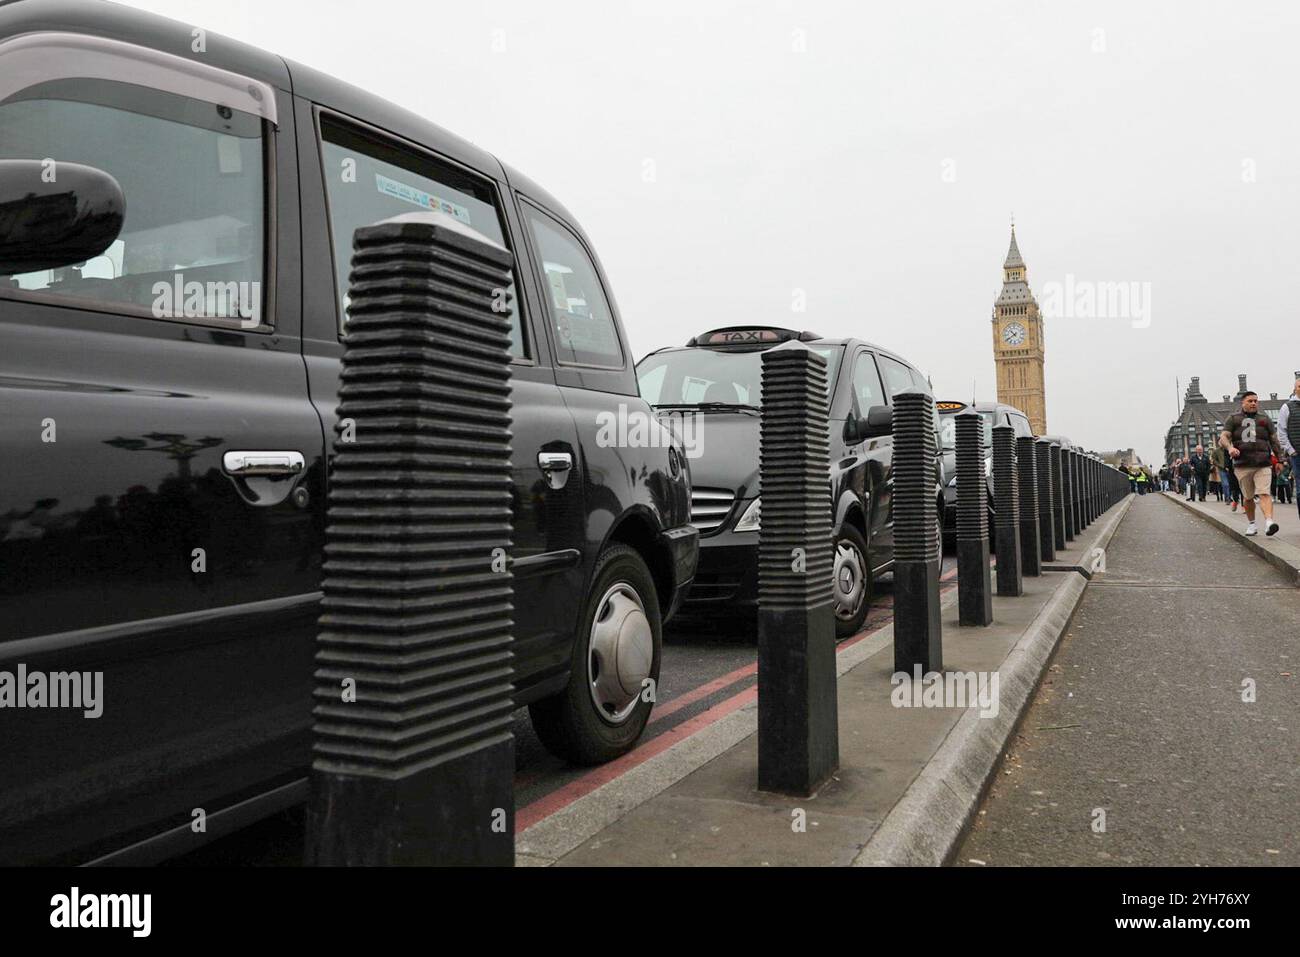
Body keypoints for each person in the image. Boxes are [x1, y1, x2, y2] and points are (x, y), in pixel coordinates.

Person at [1221, 391, 1285, 535]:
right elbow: (1223, 437)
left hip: (1263, 463)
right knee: (1248, 497)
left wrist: (1280, 460)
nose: (1253, 403)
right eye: (1250, 401)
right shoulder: (1233, 419)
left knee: (1264, 493)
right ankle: (1252, 523)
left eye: (1255, 401)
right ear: (1243, 403)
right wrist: (1230, 448)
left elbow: (1274, 440)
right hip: (1242, 464)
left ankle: (1269, 522)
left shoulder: (1265, 419)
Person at [1278, 377, 1300, 519]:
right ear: (1295, 388)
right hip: (1297, 454)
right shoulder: (1287, 407)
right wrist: (1291, 450)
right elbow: (1281, 431)